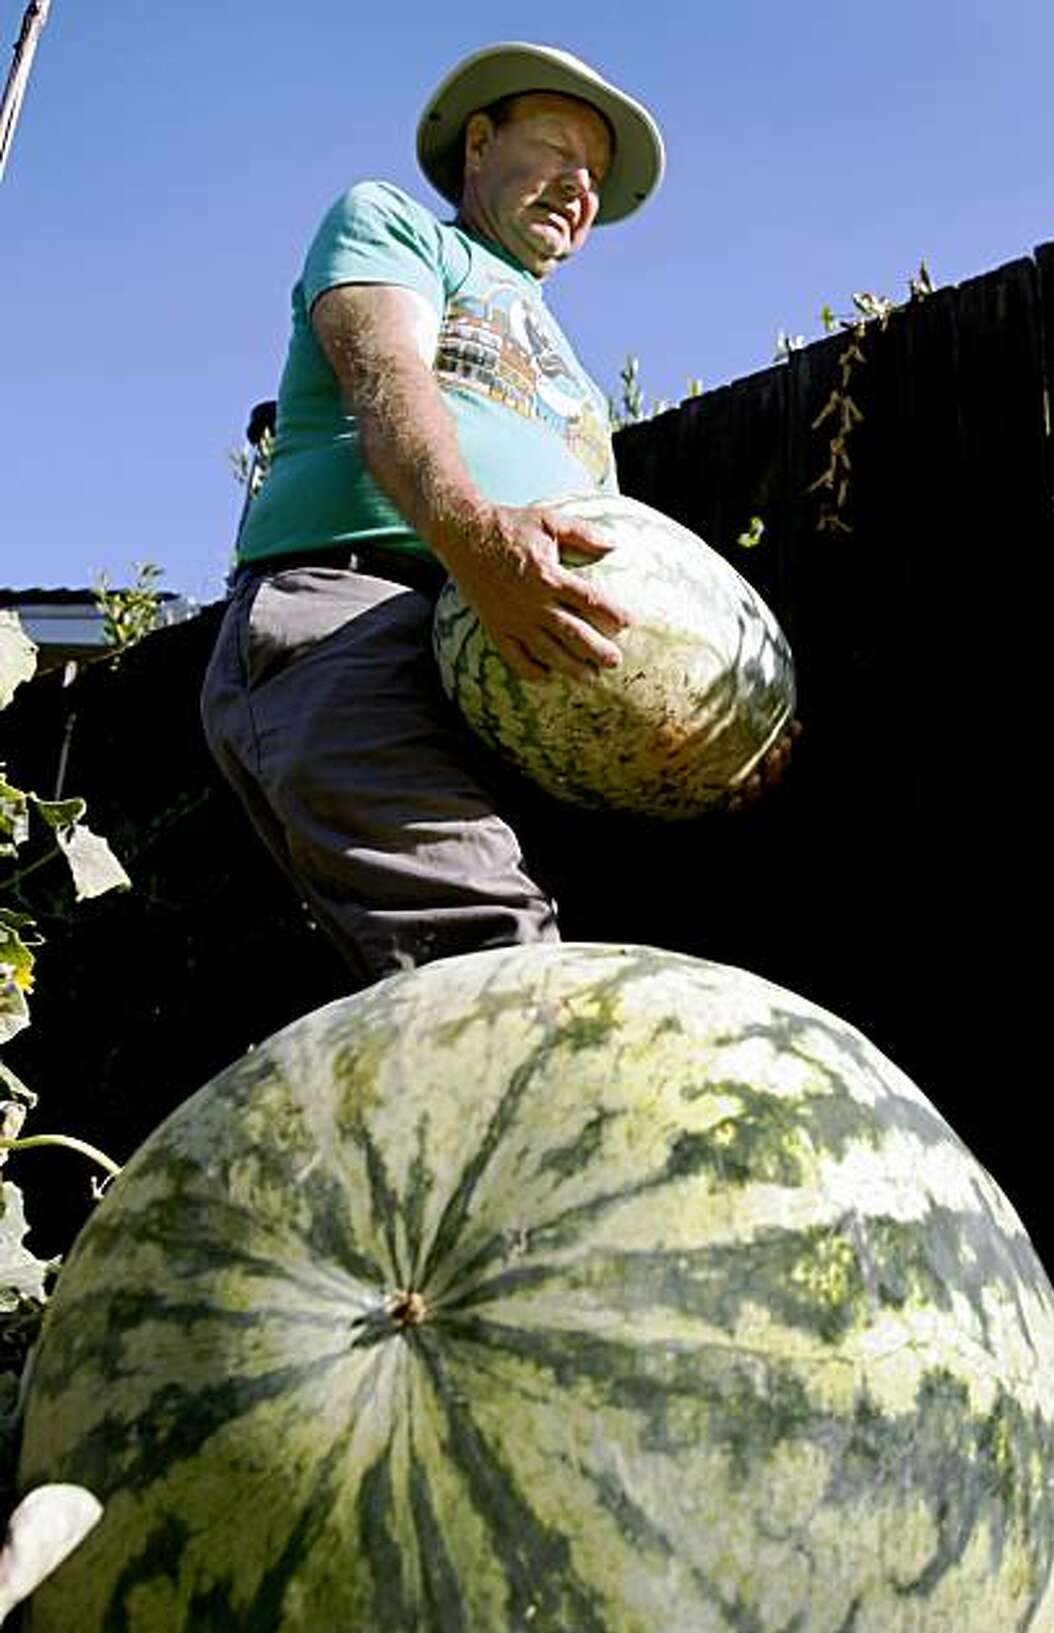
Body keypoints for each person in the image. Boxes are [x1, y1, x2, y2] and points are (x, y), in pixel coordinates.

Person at [202, 42, 789, 985]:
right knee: (491, 954)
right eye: (559, 150)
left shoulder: (581, 390)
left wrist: (720, 738)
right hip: (359, 615)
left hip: (524, 676)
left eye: (595, 177)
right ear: (479, 145)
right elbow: (385, 375)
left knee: (575, 965)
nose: (580, 188)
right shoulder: (396, 226)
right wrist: (476, 540)